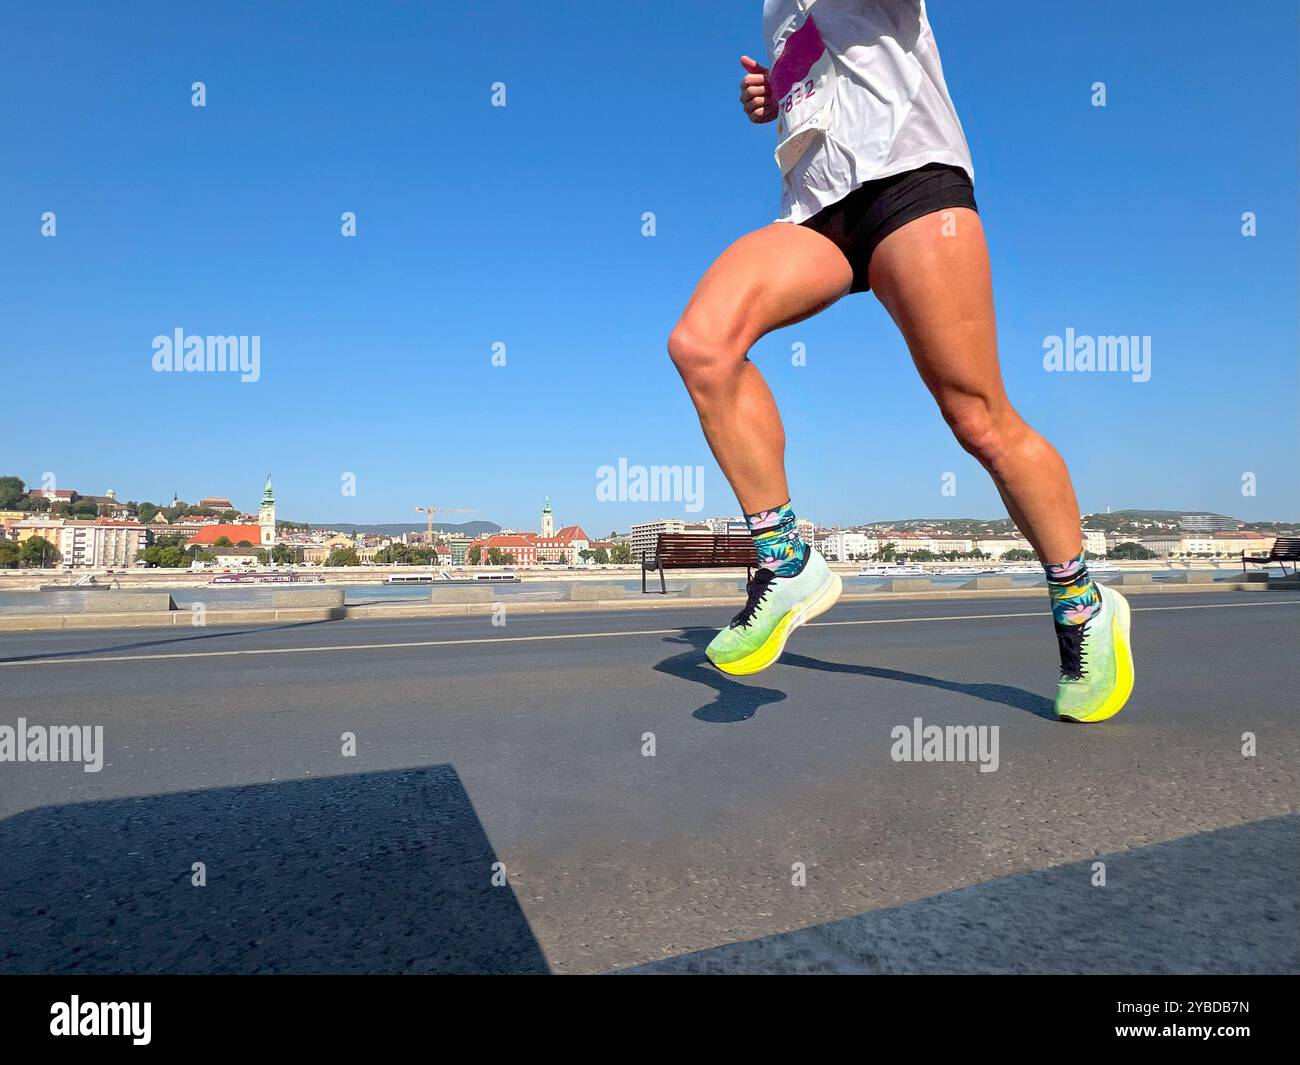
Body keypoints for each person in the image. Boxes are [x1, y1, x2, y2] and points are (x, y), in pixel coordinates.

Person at [667, 0, 1134, 722]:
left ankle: (1082, 607)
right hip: (816, 212)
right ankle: (786, 562)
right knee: (702, 344)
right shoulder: (775, 9)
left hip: (911, 182)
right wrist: (773, 99)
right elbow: (828, 73)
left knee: (978, 418)